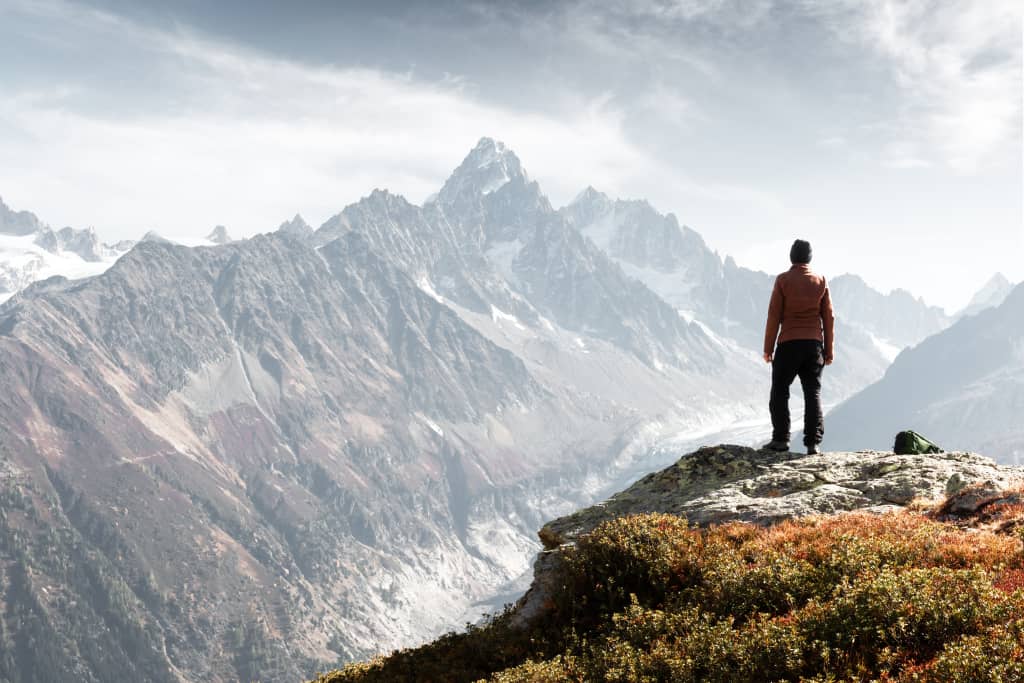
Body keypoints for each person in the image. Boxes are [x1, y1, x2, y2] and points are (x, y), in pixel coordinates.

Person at [762, 239, 834, 455]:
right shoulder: (820, 280)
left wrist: (768, 349)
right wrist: (829, 350)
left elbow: (774, 315)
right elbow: (828, 317)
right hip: (814, 346)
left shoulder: (783, 280)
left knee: (780, 390)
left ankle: (781, 440)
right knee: (813, 392)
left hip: (788, 344)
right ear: (809, 258)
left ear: (791, 257)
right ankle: (813, 444)